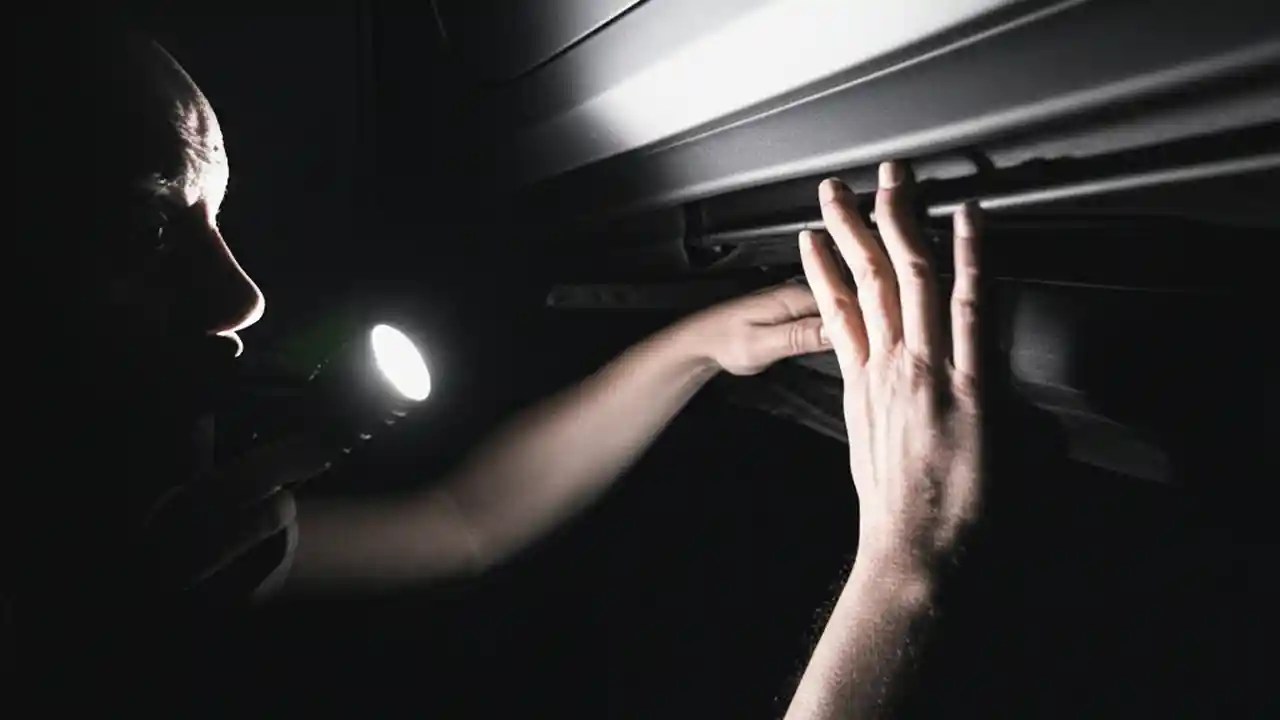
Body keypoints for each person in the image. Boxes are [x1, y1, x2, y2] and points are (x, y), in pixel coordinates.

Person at [13, 16, 987, 717]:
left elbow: (461, 522)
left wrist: (693, 348)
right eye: (145, 224)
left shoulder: (139, 545)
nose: (243, 298)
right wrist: (907, 561)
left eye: (212, 219)